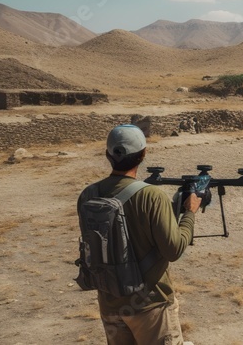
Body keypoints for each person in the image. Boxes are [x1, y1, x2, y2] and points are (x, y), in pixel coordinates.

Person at [78, 124, 200, 345]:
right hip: (150, 307)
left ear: (108, 154)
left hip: (110, 304)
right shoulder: (152, 196)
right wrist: (189, 213)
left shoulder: (88, 195)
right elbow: (174, 250)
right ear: (143, 154)